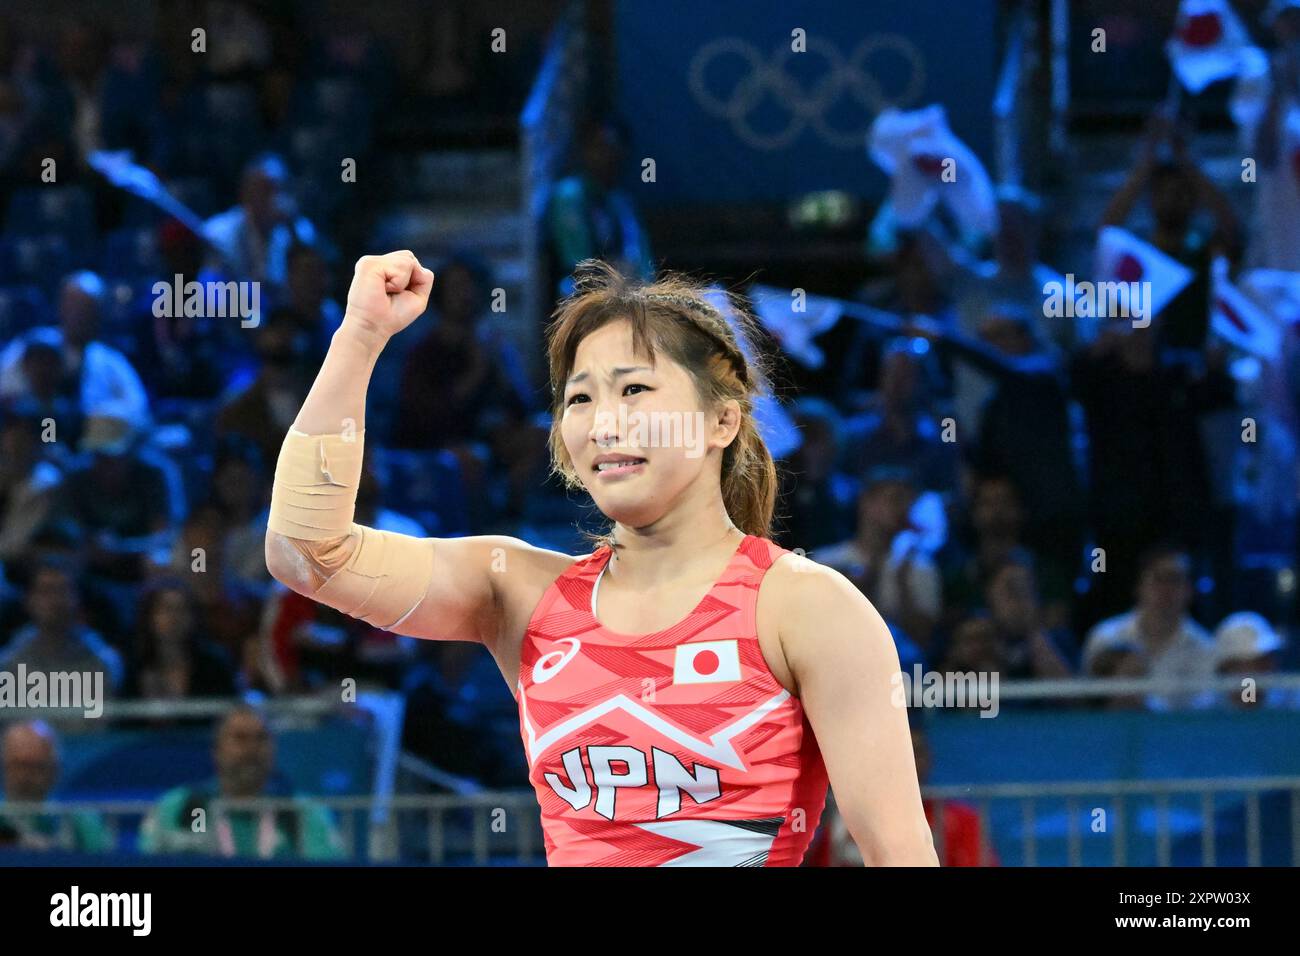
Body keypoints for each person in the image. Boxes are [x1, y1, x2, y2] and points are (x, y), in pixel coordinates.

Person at [265, 251, 937, 866]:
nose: (604, 421)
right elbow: (304, 553)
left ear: (721, 421)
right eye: (580, 397)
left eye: (634, 389)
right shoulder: (517, 591)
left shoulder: (806, 606)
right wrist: (358, 338)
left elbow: (898, 852)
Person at [138, 705, 345, 860]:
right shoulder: (179, 808)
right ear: (216, 751)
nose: (252, 748)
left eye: (261, 738)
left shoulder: (302, 813)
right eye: (240, 738)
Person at [1081, 547, 1218, 712]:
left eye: (1175, 579)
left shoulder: (1206, 648)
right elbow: (1086, 704)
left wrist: (1146, 704)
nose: (1166, 590)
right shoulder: (1104, 638)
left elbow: (1204, 717)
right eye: (1158, 579)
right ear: (1139, 586)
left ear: (1189, 590)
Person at [0, 721, 111, 852]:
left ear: (54, 770)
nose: (25, 776)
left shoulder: (82, 823)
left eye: (36, 767)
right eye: (18, 765)